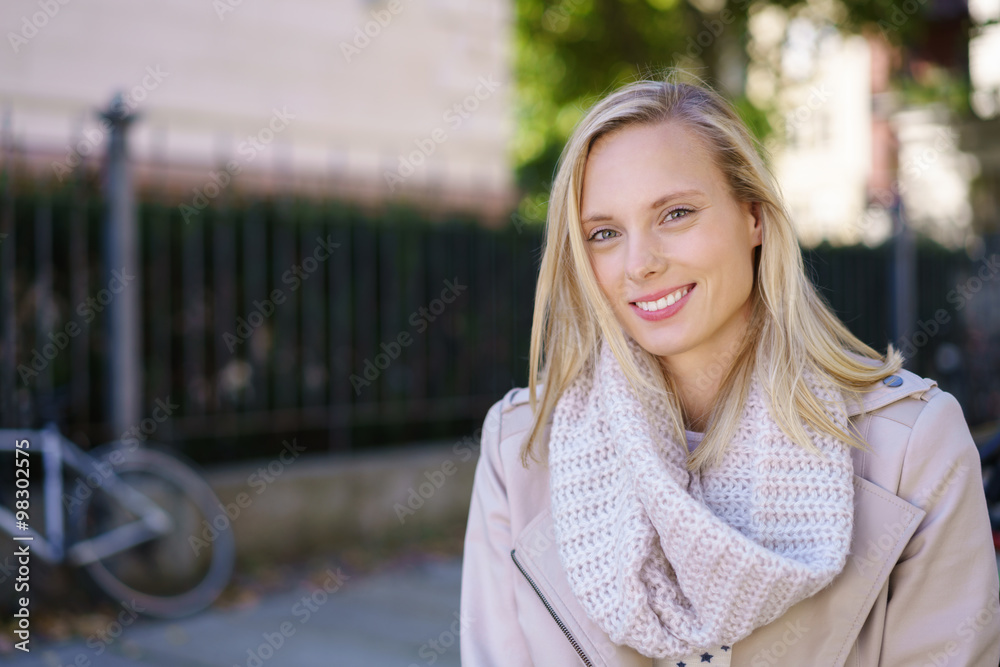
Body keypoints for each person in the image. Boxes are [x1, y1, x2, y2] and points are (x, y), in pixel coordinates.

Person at [459, 73, 1000, 666]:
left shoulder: (911, 449)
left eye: (676, 214)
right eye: (605, 233)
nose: (639, 264)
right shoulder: (520, 451)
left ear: (754, 217)